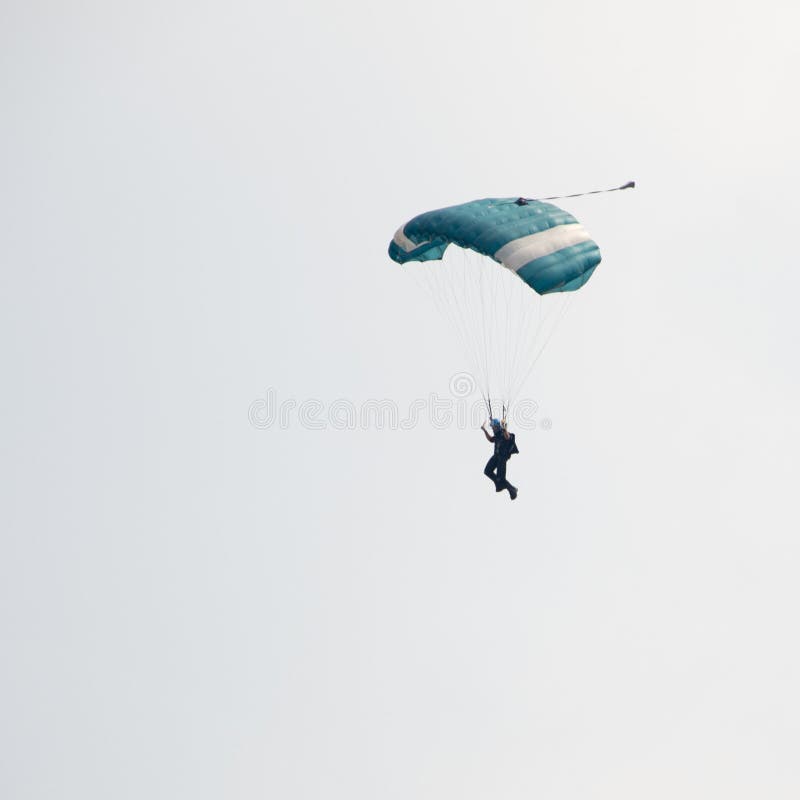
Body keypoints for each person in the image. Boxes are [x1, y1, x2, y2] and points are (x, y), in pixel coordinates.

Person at [481, 418, 519, 500]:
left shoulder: (503, 433)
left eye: (493, 427)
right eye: (492, 428)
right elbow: (491, 439)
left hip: (502, 458)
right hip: (496, 457)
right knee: (487, 471)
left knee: (500, 478)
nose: (492, 429)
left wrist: (504, 428)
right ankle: (499, 484)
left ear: (498, 427)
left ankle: (512, 489)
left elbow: (508, 437)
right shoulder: (497, 436)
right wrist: (484, 430)